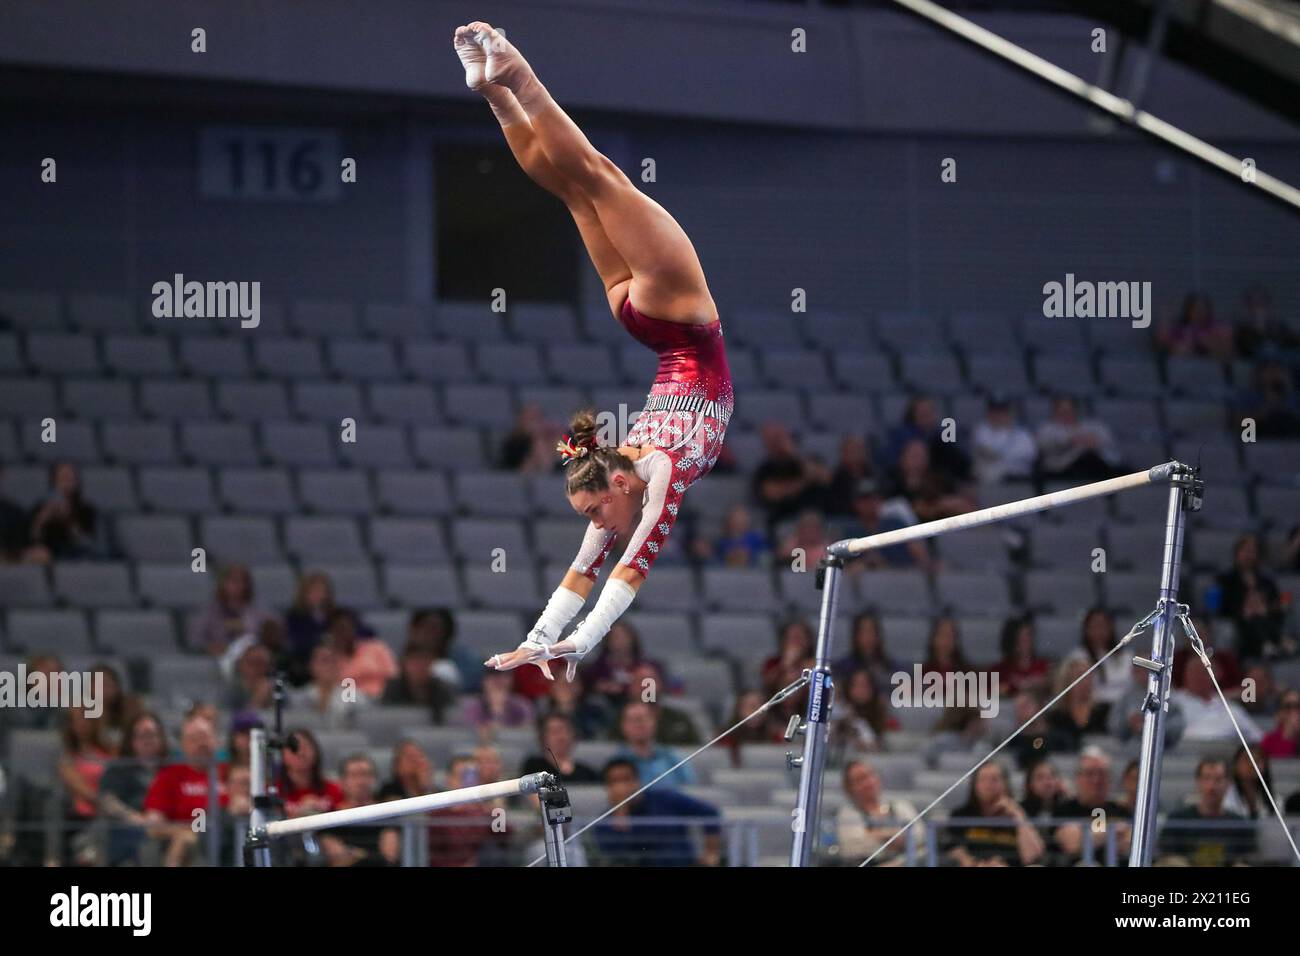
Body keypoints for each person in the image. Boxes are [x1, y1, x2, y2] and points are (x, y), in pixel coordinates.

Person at [456, 22, 733, 682]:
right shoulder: (652, 476)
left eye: (592, 514)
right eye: (593, 515)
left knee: (586, 183)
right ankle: (500, 85)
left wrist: (561, 640)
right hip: (670, 323)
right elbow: (616, 572)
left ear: (612, 482)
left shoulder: (631, 477)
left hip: (664, 321)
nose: (597, 526)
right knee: (588, 182)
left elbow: (603, 569)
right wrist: (552, 642)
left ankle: (506, 84)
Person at [589, 758, 721, 866]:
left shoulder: (665, 798)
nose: (621, 787)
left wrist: (711, 852)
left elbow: (709, 812)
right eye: (614, 782)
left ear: (637, 781)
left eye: (626, 779)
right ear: (608, 788)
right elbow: (616, 857)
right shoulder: (603, 822)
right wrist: (620, 812)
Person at [142, 711, 228, 866]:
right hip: (191, 847)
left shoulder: (229, 773)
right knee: (185, 841)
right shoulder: (170, 776)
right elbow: (153, 826)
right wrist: (188, 831)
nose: (201, 744)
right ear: (183, 745)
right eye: (193, 739)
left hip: (228, 839)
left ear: (216, 740)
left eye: (205, 737)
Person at [98, 711, 169, 866]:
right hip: (130, 832)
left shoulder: (172, 769)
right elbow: (108, 802)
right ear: (132, 741)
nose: (147, 740)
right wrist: (136, 818)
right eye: (142, 736)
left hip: (168, 829)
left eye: (152, 735)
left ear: (161, 738)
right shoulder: (119, 769)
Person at [943, 762, 1045, 866]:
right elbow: (952, 849)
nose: (988, 785)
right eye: (983, 779)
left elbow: (1033, 856)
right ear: (975, 785)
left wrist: (1018, 815)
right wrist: (973, 863)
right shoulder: (960, 815)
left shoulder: (1020, 812)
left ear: (1005, 784)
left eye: (994, 779)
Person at [1158, 757, 1255, 866]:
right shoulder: (1177, 819)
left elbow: (1248, 858)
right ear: (1198, 782)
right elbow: (1166, 856)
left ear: (1228, 783)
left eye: (1218, 779)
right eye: (1207, 778)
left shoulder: (1240, 824)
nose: (1211, 786)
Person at [1216, 533, 1292, 660]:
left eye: (1252, 552)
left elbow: (1277, 603)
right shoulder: (1226, 580)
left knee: (1260, 616)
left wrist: (1266, 608)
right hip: (1241, 621)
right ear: (1237, 553)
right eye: (1245, 551)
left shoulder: (1266, 581)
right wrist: (1245, 609)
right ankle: (1277, 641)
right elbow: (1223, 607)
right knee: (1252, 618)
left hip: (1266, 618)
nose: (1249, 555)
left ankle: (1269, 645)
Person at [1053, 747, 1132, 865]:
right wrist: (1113, 830)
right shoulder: (1064, 810)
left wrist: (1087, 836)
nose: (1096, 780)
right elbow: (1073, 845)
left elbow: (1127, 844)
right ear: (1078, 778)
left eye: (1102, 774)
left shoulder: (1121, 810)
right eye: (1090, 774)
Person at [317, 755, 400, 867]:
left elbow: (388, 858)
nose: (361, 782)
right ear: (342, 781)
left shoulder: (387, 815)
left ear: (375, 779)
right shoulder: (329, 818)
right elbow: (337, 859)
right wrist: (372, 856)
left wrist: (355, 853)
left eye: (366, 774)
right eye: (354, 775)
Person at [835, 760, 922, 866]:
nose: (868, 783)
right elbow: (852, 847)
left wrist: (875, 835)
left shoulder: (900, 806)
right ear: (849, 788)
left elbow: (919, 836)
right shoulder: (847, 814)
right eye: (860, 780)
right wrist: (893, 837)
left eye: (870, 775)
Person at [1034, 395, 1124, 482]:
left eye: (1069, 410)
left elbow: (1106, 442)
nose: (1066, 414)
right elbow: (1045, 447)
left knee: (1120, 470)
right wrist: (1071, 439)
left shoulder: (1094, 425)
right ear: (1055, 412)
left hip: (1096, 466)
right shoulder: (1047, 428)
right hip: (1061, 469)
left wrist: (1081, 440)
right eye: (1062, 411)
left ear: (1076, 410)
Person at [189, 564, 273, 656]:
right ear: (222, 584)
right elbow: (195, 639)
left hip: (250, 656)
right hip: (218, 658)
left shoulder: (257, 611)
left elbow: (266, 636)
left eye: (242, 581)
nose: (238, 586)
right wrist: (210, 647)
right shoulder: (210, 611)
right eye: (233, 581)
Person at [26, 461, 102, 562]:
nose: (66, 484)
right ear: (53, 482)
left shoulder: (86, 510)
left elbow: (87, 543)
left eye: (70, 479)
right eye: (62, 479)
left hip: (78, 555)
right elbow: (33, 539)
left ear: (77, 482)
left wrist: (68, 520)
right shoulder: (40, 508)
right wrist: (42, 519)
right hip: (48, 556)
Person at [611, 701, 695, 788]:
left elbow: (690, 790)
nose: (639, 724)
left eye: (644, 719)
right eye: (634, 720)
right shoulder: (616, 763)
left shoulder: (673, 759)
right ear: (623, 726)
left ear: (654, 722)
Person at [381, 639, 456, 723]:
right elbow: (386, 719)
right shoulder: (393, 688)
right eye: (415, 661)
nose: (420, 667)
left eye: (425, 660)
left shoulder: (442, 689)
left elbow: (448, 720)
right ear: (404, 664)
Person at [830, 668, 896, 760]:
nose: (861, 690)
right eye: (856, 685)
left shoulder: (881, 714)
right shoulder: (838, 712)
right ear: (848, 688)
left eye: (865, 685)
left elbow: (879, 746)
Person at [278, 728, 345, 819]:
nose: (301, 753)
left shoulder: (333, 790)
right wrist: (299, 813)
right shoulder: (274, 791)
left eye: (305, 747)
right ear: (283, 754)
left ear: (315, 752)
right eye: (294, 748)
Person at [971, 395, 1037, 484]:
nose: (998, 415)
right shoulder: (981, 430)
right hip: (991, 479)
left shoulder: (1022, 433)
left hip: (1020, 478)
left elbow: (1030, 455)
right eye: (995, 411)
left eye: (1002, 411)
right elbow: (989, 453)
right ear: (989, 412)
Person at [521, 713, 600, 783]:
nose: (560, 737)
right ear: (543, 737)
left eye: (564, 731)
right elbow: (532, 796)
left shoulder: (587, 773)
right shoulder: (534, 766)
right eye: (554, 732)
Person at [463, 668, 535, 732]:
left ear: (511, 680)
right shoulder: (472, 706)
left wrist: (499, 711)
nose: (498, 680)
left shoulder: (521, 704)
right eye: (493, 675)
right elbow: (469, 732)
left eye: (504, 676)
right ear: (484, 681)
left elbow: (527, 733)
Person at [994, 615, 1051, 696]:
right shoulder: (1000, 670)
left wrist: (1040, 684)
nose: (1026, 642)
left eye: (1028, 636)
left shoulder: (1043, 667)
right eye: (1020, 637)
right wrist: (1010, 687)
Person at [703, 502, 770, 567]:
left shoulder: (758, 540)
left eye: (741, 519)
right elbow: (714, 561)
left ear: (747, 521)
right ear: (728, 521)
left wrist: (750, 556)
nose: (738, 522)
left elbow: (766, 558)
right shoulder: (720, 542)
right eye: (734, 519)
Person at [1260, 688, 1300, 758]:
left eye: (1298, 706)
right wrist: (1289, 736)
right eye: (1288, 706)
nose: (1294, 712)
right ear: (1279, 713)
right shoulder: (1269, 741)